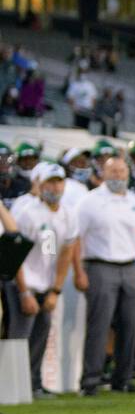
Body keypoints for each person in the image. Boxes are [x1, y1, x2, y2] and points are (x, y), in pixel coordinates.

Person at [76, 156, 135, 395]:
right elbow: (75, 238)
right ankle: (90, 380)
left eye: (121, 171)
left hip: (131, 267)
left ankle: (122, 378)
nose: (118, 176)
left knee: (130, 325)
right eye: (113, 171)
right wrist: (78, 270)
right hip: (100, 265)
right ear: (103, 173)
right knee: (99, 326)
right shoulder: (90, 201)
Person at [6, 163, 76, 397]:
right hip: (23, 282)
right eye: (49, 182)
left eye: (58, 182)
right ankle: (12, 385)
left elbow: (67, 252)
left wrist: (55, 290)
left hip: (46, 285)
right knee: (19, 336)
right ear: (39, 184)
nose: (54, 187)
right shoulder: (27, 211)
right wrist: (24, 291)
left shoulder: (68, 214)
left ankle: (33, 383)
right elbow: (15, 253)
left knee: (40, 335)